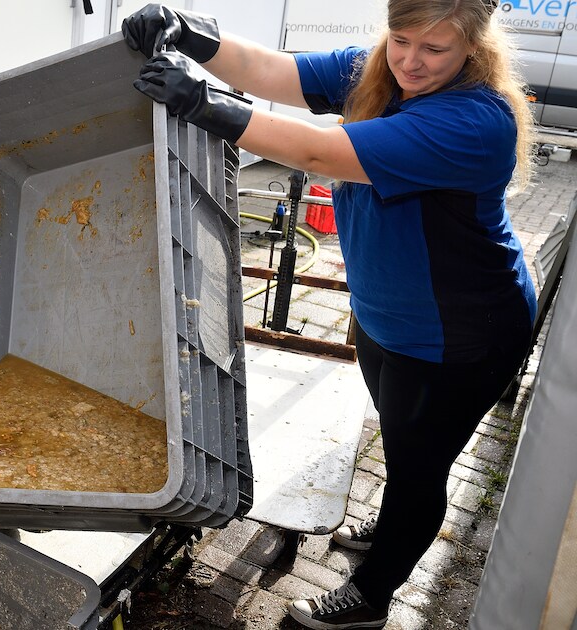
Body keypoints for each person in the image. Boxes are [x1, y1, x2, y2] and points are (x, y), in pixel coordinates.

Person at [123, 1, 537, 628]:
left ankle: (370, 596)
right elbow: (272, 69)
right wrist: (191, 32)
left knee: (420, 467)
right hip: (384, 315)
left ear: (473, 50)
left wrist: (207, 104)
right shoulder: (378, 72)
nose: (411, 61)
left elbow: (317, 151)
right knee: (404, 443)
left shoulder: (475, 121)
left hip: (457, 334)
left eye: (435, 49)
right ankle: (395, 511)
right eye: (402, 40)